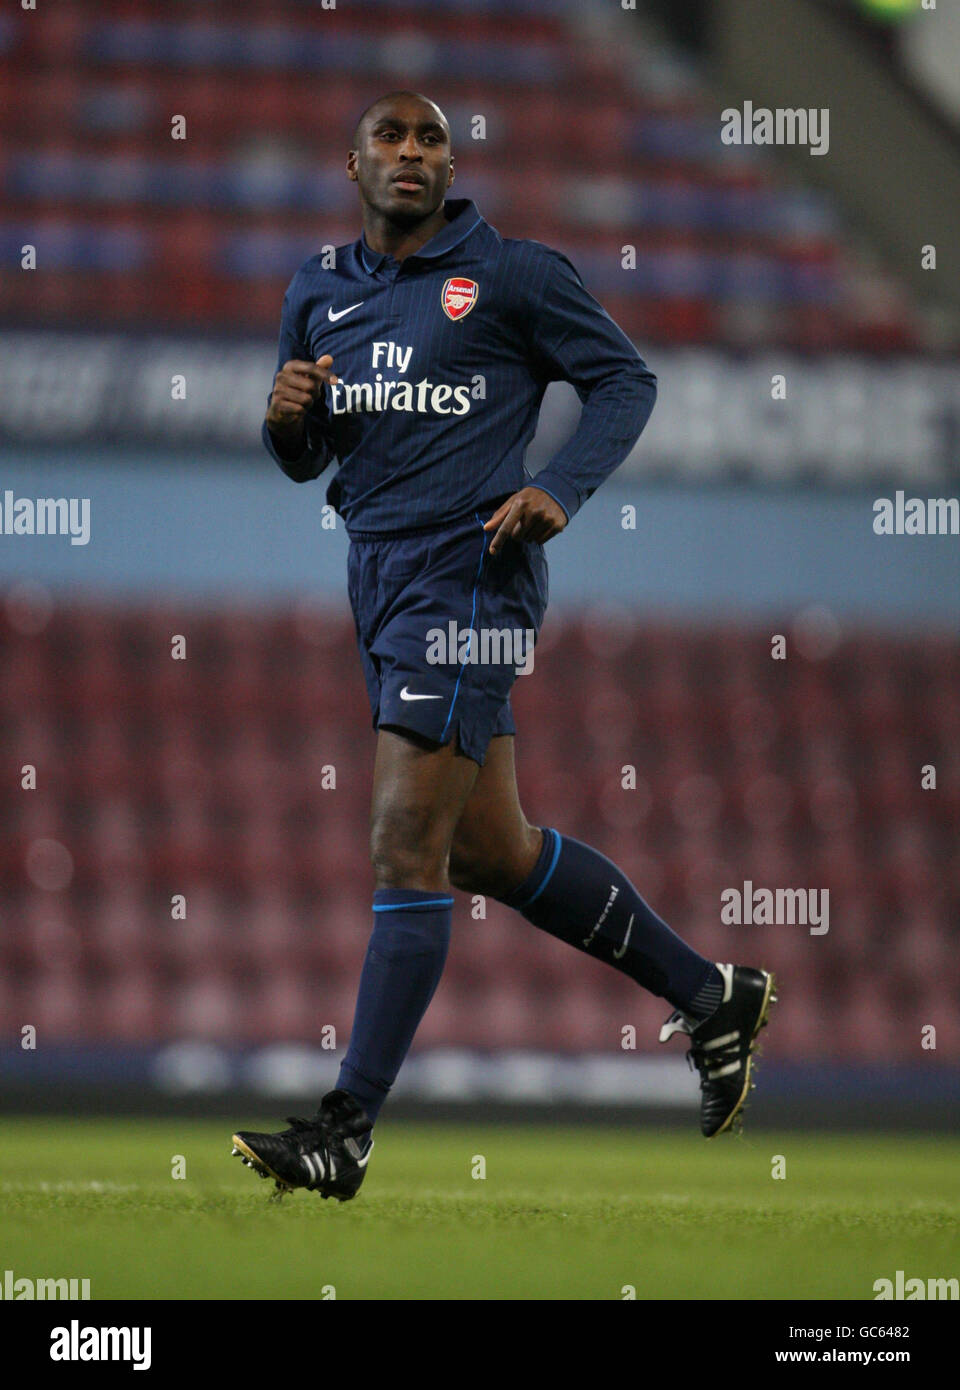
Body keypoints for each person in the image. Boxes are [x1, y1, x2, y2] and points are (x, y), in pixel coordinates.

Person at [231, 91, 776, 1200]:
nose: (411, 154)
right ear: (352, 165)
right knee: (491, 849)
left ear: (449, 163)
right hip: (377, 579)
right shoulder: (318, 292)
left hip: (471, 574)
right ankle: (711, 993)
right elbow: (310, 455)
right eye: (390, 137)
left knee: (402, 842)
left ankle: (348, 1127)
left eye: (431, 138)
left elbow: (626, 379)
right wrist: (286, 421)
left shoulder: (516, 274)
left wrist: (559, 487)